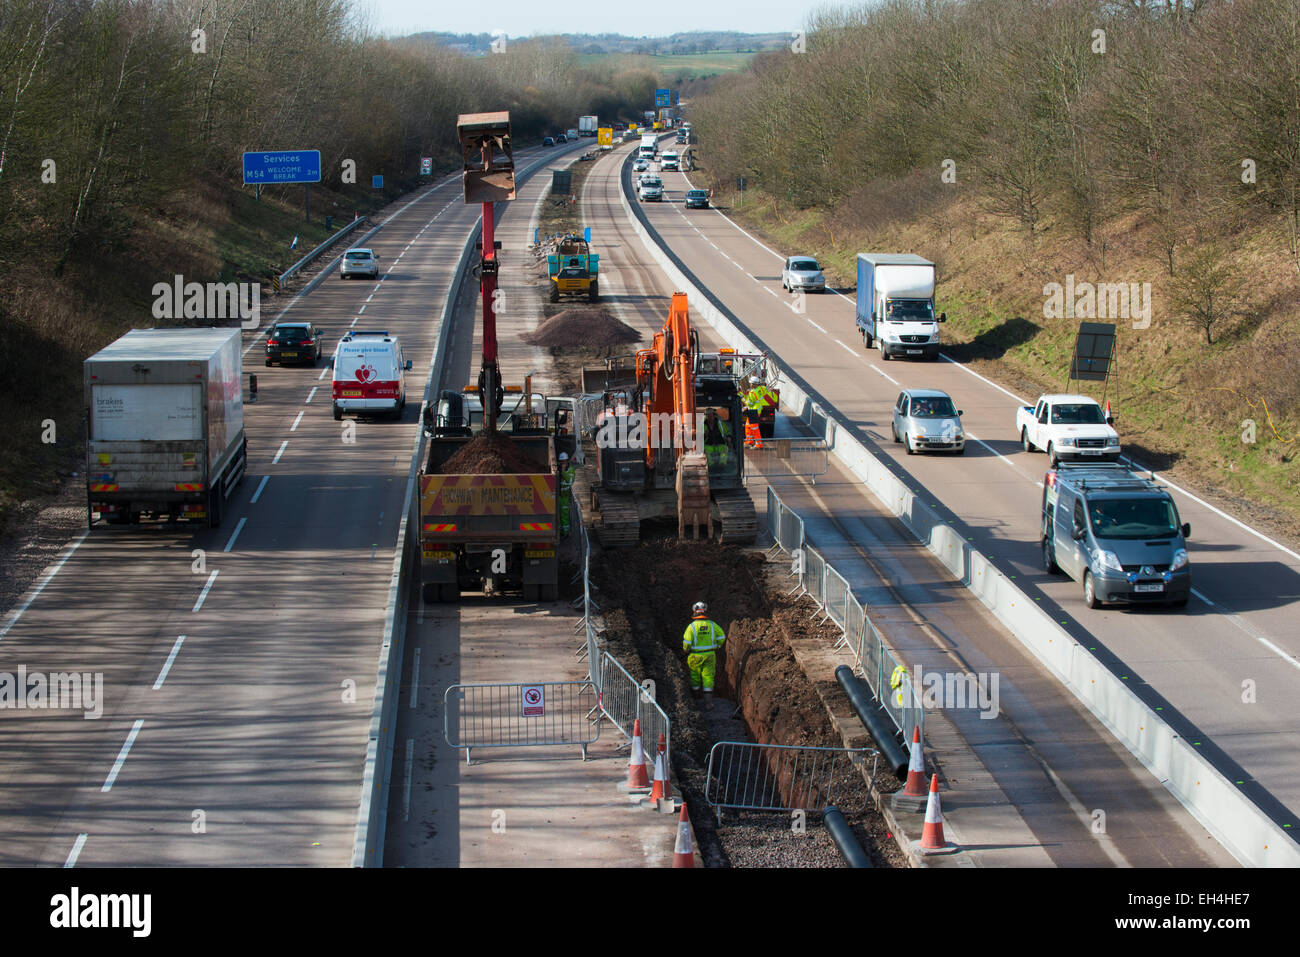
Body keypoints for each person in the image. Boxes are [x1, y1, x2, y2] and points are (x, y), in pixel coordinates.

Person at [682, 601, 725, 710]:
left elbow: (686, 643)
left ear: (695, 612)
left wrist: (686, 651)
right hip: (710, 655)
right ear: (704, 611)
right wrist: (717, 646)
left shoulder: (691, 627)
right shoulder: (712, 625)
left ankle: (695, 701)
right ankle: (708, 703)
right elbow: (722, 636)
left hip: (695, 656)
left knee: (695, 678)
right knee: (708, 678)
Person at [558, 452, 575, 536]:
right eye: (561, 461)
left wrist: (563, 472)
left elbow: (570, 481)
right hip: (558, 496)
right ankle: (560, 531)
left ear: (567, 461)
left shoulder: (570, 470)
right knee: (558, 515)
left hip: (565, 497)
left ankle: (565, 533)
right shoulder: (558, 468)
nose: (563, 463)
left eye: (564, 461)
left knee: (564, 516)